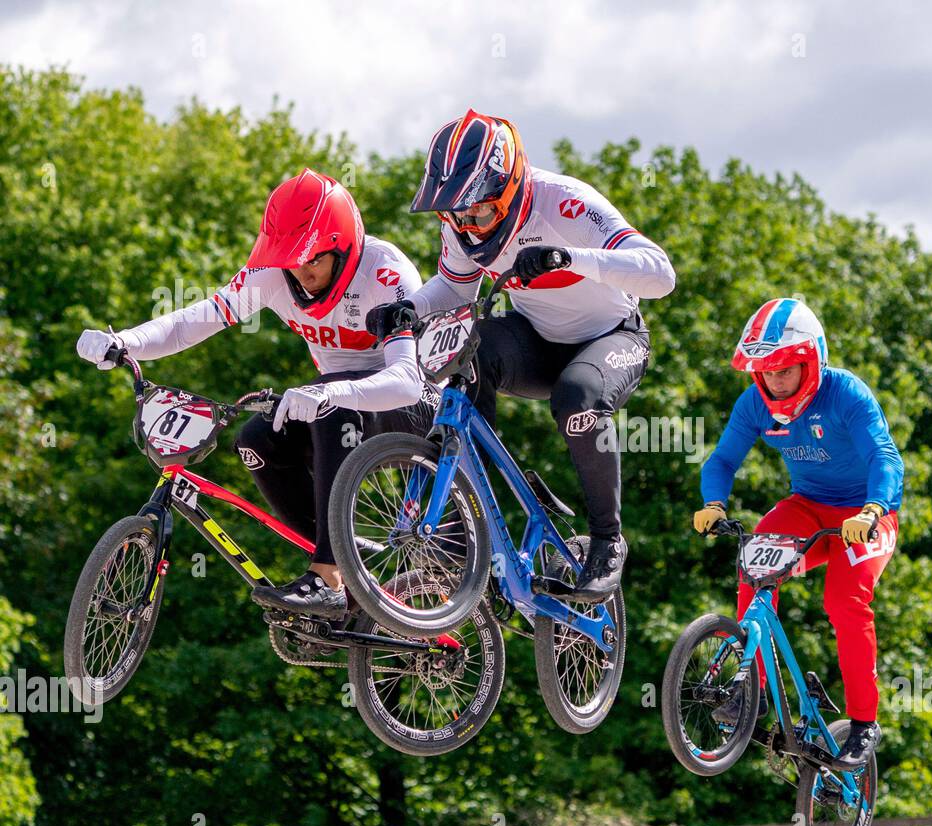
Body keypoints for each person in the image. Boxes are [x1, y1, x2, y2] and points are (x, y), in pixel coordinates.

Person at [76, 168, 433, 619]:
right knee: (257, 441)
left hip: (413, 403)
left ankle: (327, 575)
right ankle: (349, 558)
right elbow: (196, 320)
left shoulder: (385, 272)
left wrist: (332, 391)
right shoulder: (276, 271)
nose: (301, 274)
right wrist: (126, 342)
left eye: (313, 260)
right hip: (332, 402)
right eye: (292, 262)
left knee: (327, 401)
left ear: (345, 248)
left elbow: (407, 379)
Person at [368, 109, 675, 601]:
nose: (468, 228)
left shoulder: (564, 202)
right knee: (469, 355)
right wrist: (408, 308)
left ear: (509, 190)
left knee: (577, 399)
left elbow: (660, 274)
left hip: (612, 338)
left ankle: (607, 540)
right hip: (536, 341)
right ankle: (459, 527)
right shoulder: (462, 223)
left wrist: (569, 257)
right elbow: (453, 286)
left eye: (479, 214)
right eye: (457, 217)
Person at [692, 298, 904, 769]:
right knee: (753, 568)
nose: (773, 382)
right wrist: (713, 503)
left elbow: (884, 459)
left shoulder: (847, 393)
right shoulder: (754, 402)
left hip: (867, 516)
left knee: (844, 603)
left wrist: (872, 509)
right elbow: (723, 460)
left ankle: (865, 724)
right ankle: (754, 691)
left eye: (784, 371)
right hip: (807, 509)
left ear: (812, 362)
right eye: (764, 372)